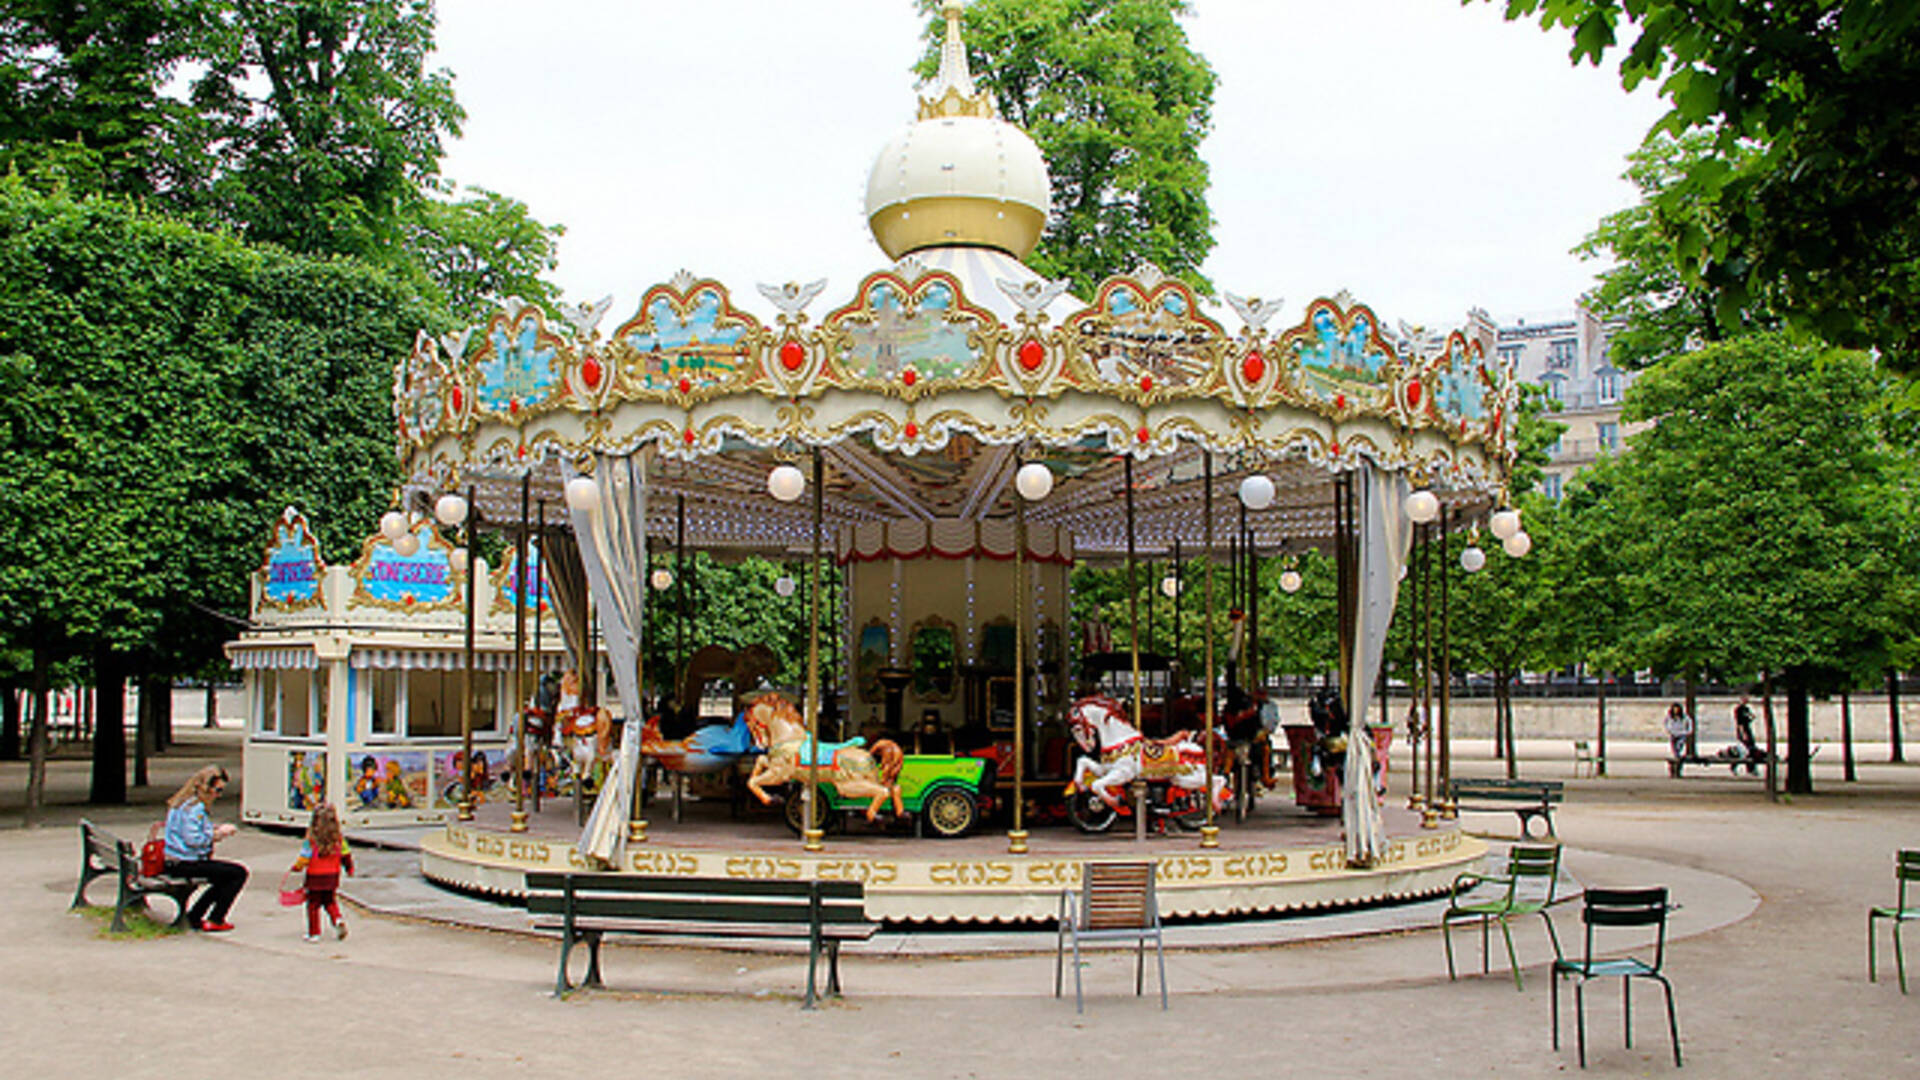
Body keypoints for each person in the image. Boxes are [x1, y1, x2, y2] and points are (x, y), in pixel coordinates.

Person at [163, 764, 249, 931]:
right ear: (205, 788)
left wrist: (213, 829)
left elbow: (191, 830)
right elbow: (193, 840)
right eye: (217, 790)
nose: (218, 795)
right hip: (185, 862)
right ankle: (216, 918)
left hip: (174, 860)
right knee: (238, 873)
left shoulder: (182, 803)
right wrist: (218, 834)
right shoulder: (195, 808)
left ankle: (196, 915)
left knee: (224, 876)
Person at [291, 803, 354, 942]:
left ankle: (314, 933)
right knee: (330, 901)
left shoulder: (311, 840)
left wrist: (296, 867)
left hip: (315, 877)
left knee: (313, 905)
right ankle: (337, 919)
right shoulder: (339, 840)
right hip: (332, 876)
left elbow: (304, 858)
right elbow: (346, 855)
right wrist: (349, 868)